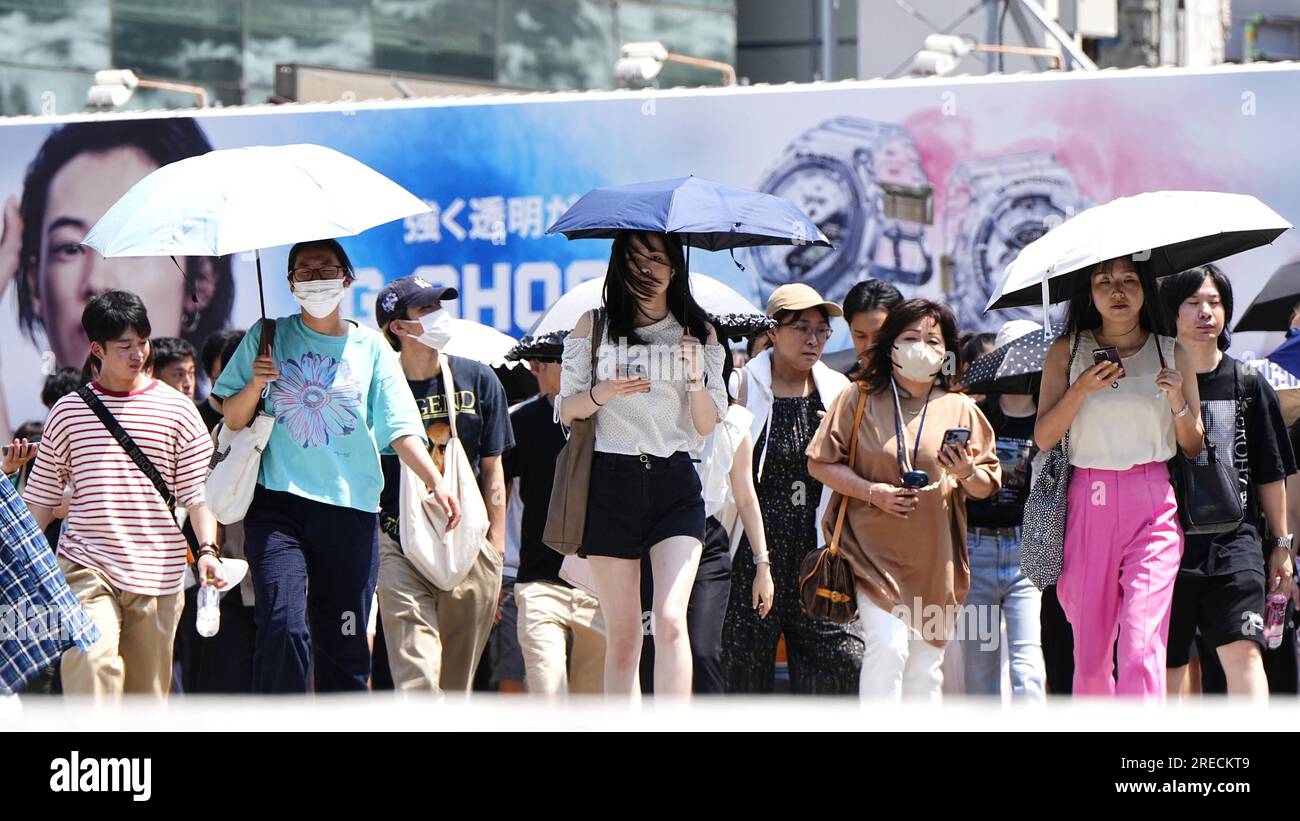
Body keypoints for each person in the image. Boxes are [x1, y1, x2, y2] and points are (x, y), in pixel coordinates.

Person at [212, 239, 460, 694]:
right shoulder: (266, 335)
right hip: (277, 508)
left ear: (347, 278)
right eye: (303, 271)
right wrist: (257, 381)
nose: (315, 278)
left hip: (350, 512)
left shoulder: (371, 348)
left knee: (344, 641)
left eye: (325, 268)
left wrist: (434, 481)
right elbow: (231, 415)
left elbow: (400, 426)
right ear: (289, 284)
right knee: (283, 628)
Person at [18, 290, 226, 698]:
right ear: (97, 349)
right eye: (124, 346)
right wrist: (18, 563)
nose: (138, 354)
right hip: (84, 565)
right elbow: (40, 499)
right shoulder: (68, 412)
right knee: (91, 660)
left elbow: (199, 495)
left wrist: (206, 550)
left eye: (142, 342)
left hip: (159, 573)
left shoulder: (178, 410)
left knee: (144, 697)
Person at [558, 230, 727, 697]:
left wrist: (696, 377)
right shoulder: (593, 326)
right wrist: (603, 392)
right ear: (618, 266)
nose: (647, 268)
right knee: (626, 635)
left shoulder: (700, 332)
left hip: (675, 482)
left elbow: (707, 423)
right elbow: (566, 410)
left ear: (675, 267)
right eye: (635, 259)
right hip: (611, 483)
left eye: (658, 257)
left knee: (672, 621)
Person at [807, 299, 1000, 700]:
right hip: (870, 554)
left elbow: (986, 485)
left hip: (935, 560)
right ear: (889, 346)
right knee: (888, 646)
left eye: (932, 339)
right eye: (910, 338)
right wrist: (872, 493)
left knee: (925, 668)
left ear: (947, 352)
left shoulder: (961, 408)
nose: (921, 347)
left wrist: (965, 471)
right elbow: (820, 463)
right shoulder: (857, 398)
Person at [0, 119, 236, 438]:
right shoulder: (43, 449)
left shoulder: (214, 431)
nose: (97, 280)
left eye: (133, 241)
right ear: (34, 283)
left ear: (201, 278)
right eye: (70, 248)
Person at [1035, 256, 1204, 698]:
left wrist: (1176, 401)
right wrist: (1080, 389)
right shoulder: (1065, 351)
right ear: (1088, 292)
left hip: (1152, 503)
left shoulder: (1172, 351)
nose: (1117, 291)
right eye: (1104, 281)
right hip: (1086, 503)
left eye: (1129, 280)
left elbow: (1193, 445)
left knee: (1140, 648)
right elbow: (1045, 437)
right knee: (1090, 660)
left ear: (1146, 288)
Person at [1158, 265, 1296, 699]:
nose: (1205, 313)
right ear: (1172, 315)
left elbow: (1271, 474)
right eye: (1193, 303)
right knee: (1170, 663)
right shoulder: (1153, 385)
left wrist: (1282, 545)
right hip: (1165, 541)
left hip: (1235, 541)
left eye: (1214, 303)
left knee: (1245, 651)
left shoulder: (1250, 383)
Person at [373, 275, 514, 693]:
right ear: (398, 327)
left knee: (456, 686)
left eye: (439, 305)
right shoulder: (378, 388)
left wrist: (496, 553)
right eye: (426, 309)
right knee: (416, 673)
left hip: (470, 546)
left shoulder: (479, 379)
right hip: (396, 543)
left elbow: (493, 470)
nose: (440, 316)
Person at [722, 283, 862, 694]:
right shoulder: (740, 387)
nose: (813, 340)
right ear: (772, 332)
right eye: (802, 328)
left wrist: (836, 441)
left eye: (822, 330)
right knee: (741, 681)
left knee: (841, 674)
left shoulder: (839, 390)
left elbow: (856, 468)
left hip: (818, 555)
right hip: (751, 556)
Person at [639, 343, 775, 694]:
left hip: (708, 540)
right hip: (653, 535)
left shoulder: (735, 422)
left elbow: (745, 496)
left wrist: (763, 564)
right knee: (651, 646)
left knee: (703, 649)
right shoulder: (652, 412)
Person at [958, 319, 1048, 701]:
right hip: (974, 552)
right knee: (980, 674)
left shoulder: (1051, 417)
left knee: (1028, 669)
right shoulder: (975, 414)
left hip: (1026, 554)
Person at [506, 357, 606, 695]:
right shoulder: (520, 421)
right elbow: (496, 490)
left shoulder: (611, 419)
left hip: (600, 585)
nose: (571, 365)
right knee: (547, 693)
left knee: (591, 704)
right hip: (538, 583)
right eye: (560, 359)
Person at [844, 278, 904, 368]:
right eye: (861, 336)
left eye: (879, 336)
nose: (869, 346)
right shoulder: (838, 380)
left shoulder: (926, 377)